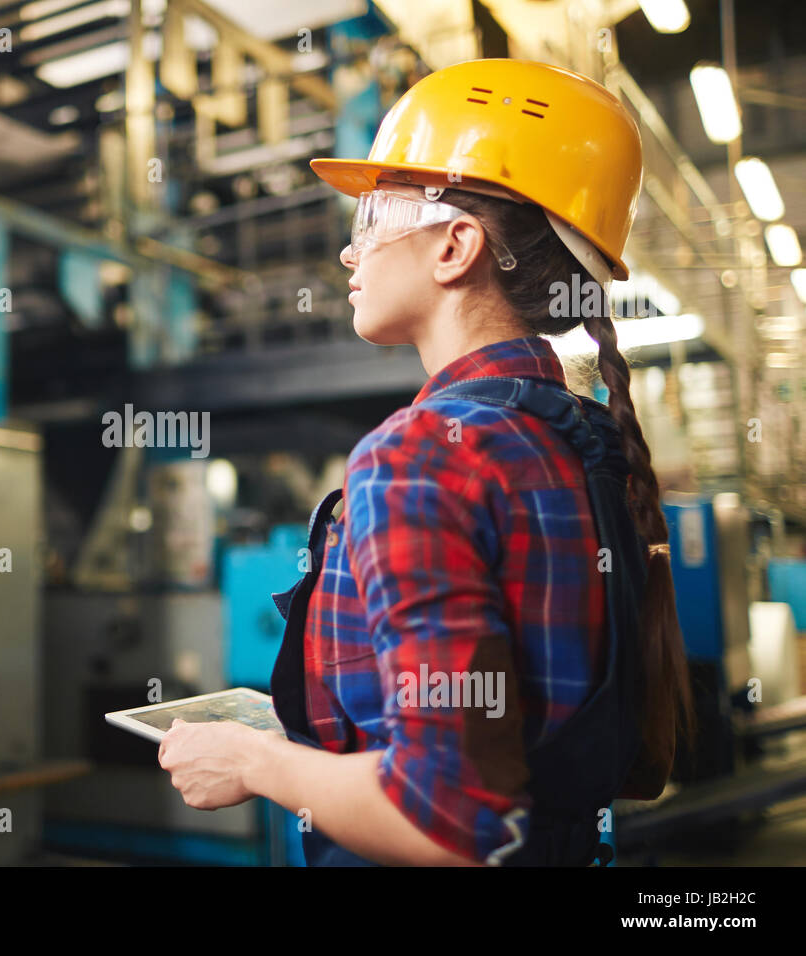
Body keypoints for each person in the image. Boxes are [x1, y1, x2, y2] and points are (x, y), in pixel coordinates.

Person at [158, 58, 692, 866]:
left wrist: (255, 760)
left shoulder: (421, 457)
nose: (349, 253)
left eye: (372, 214)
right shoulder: (582, 442)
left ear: (456, 245)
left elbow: (447, 822)